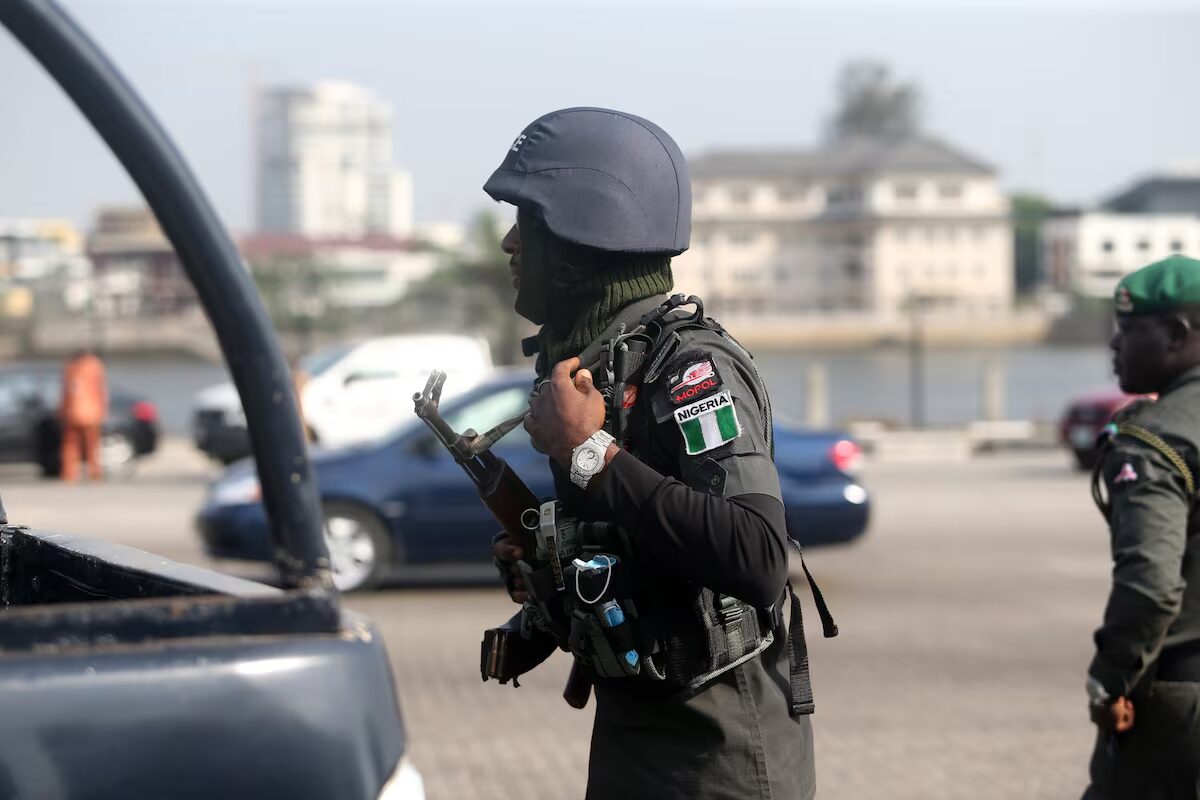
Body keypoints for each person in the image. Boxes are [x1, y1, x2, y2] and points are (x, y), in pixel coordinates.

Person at [484, 108, 834, 800]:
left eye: (528, 221)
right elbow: (632, 547)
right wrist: (546, 603)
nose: (507, 243)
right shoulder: (596, 369)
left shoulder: (692, 368)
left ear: (584, 237)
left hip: (718, 760)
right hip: (632, 742)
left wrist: (590, 454)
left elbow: (758, 558)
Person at [1084, 254, 1200, 800]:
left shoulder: (1158, 439)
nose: (1114, 346)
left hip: (1181, 699)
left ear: (1177, 333)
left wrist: (1112, 680)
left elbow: (1151, 583)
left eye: (1128, 330)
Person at [59, 347, 108, 481]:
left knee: (71, 445)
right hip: (92, 412)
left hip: (73, 412)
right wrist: (103, 410)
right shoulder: (95, 367)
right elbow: (101, 391)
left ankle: (69, 473)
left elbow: (65, 394)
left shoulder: (70, 368)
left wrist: (62, 412)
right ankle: (95, 472)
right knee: (92, 445)